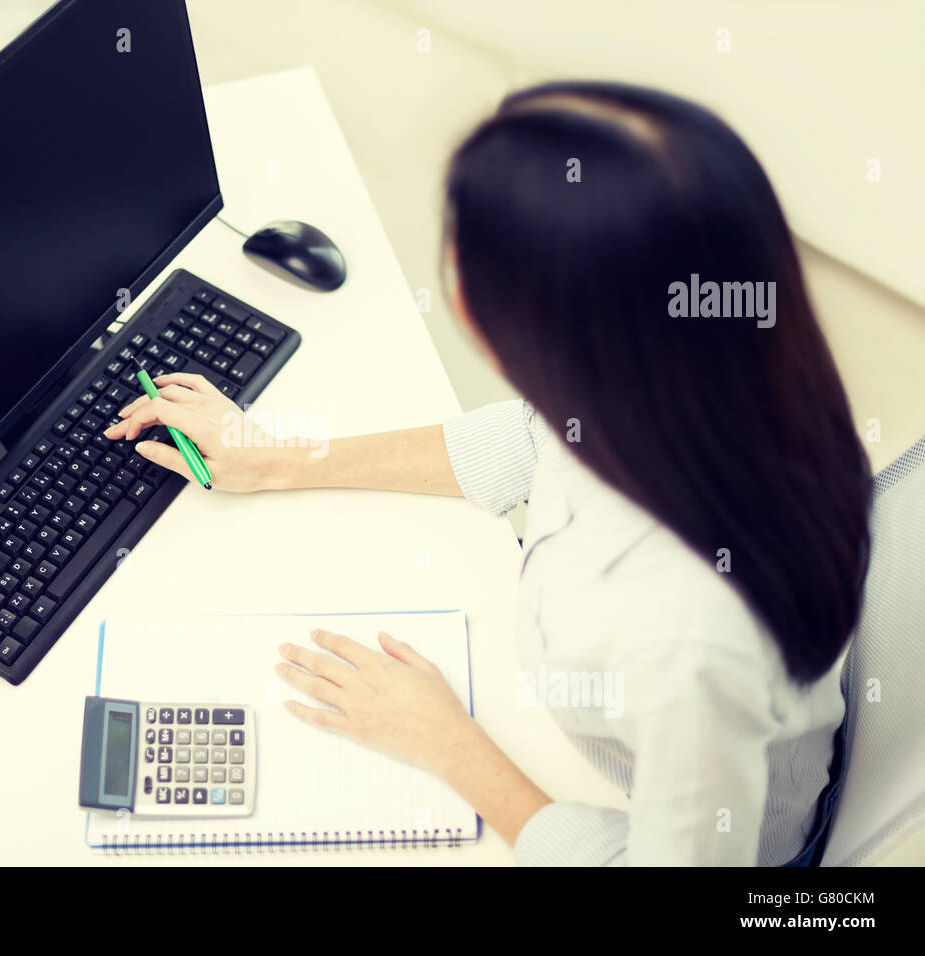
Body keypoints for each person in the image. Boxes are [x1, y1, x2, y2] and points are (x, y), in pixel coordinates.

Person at [103, 82, 872, 865]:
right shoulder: (698, 372)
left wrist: (448, 745)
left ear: (478, 312)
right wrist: (278, 458)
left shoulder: (692, 639)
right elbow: (534, 443)